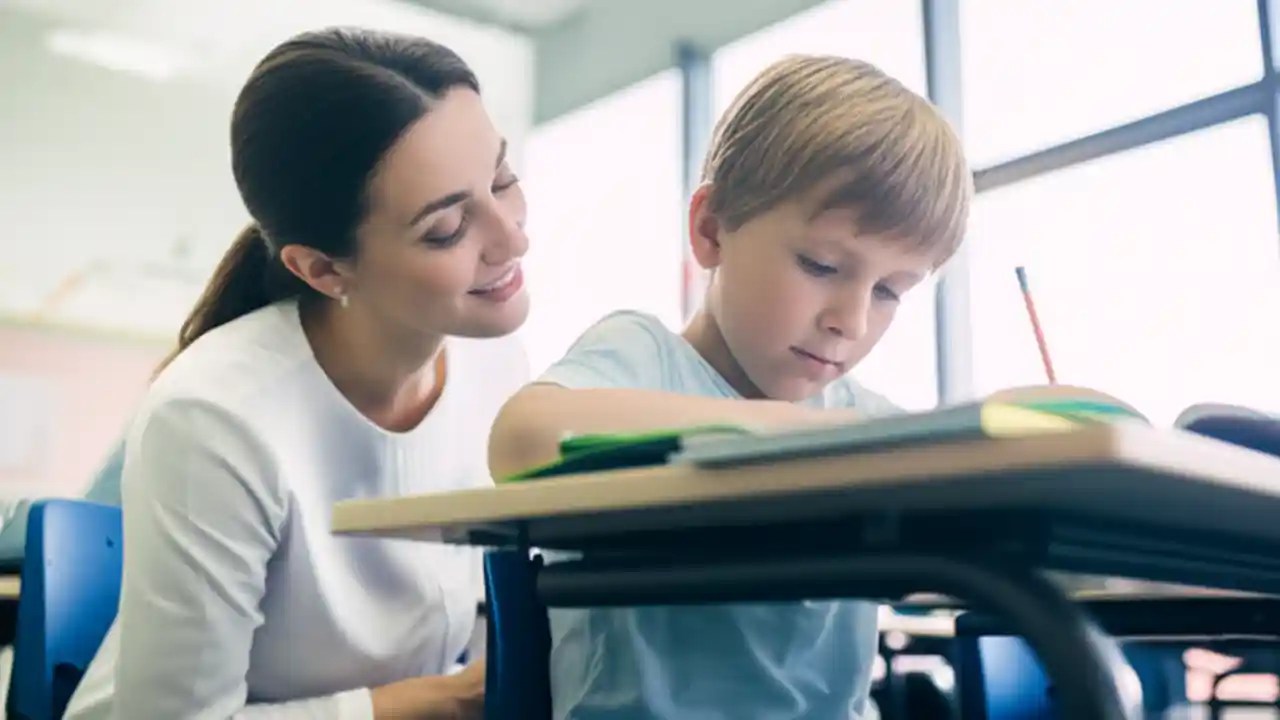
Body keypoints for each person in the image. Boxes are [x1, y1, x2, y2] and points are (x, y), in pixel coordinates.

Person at [66, 26, 530, 719]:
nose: (513, 236)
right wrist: (430, 701)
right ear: (322, 268)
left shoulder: (493, 369)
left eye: (501, 179)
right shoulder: (214, 414)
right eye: (445, 229)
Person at [489, 55, 972, 719]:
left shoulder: (862, 419)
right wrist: (803, 433)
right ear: (711, 229)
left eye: (891, 291)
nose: (852, 321)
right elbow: (520, 440)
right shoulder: (643, 356)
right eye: (823, 264)